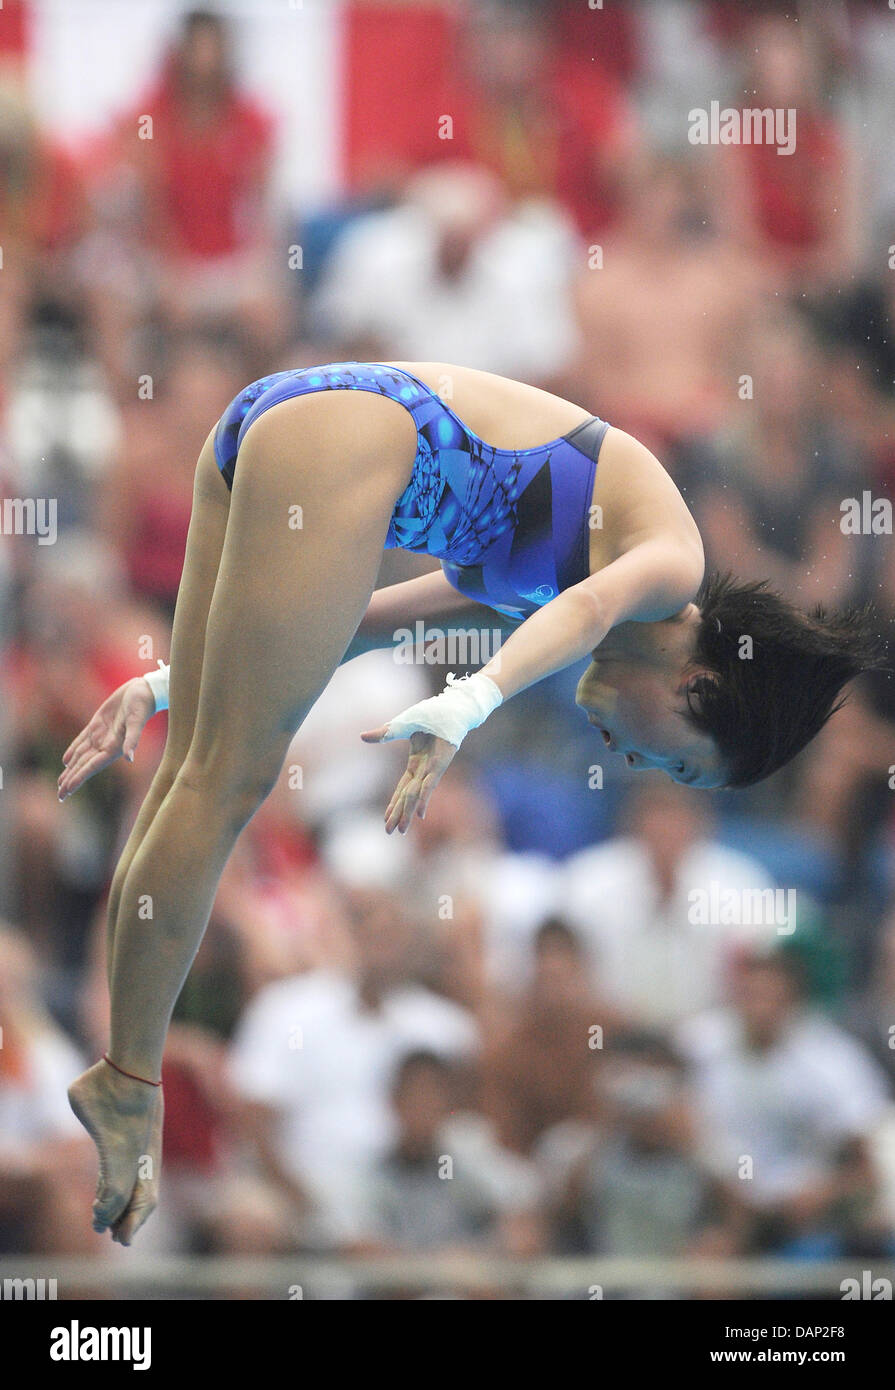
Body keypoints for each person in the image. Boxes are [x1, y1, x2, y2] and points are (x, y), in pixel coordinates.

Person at [55, 358, 880, 1244]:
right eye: (680, 767)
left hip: (277, 424)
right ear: (703, 684)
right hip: (356, 433)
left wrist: (169, 680)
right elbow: (590, 608)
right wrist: (472, 700)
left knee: (196, 768)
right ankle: (130, 1078)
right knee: (227, 781)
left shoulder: (553, 572)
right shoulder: (669, 566)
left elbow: (355, 626)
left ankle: (124, 1073)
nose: (641, 764)